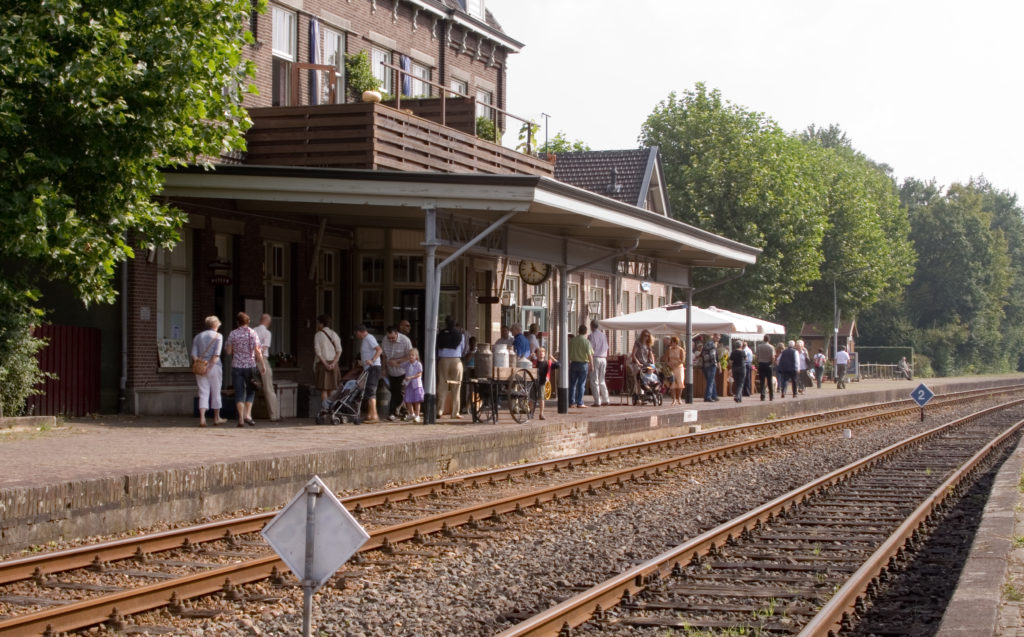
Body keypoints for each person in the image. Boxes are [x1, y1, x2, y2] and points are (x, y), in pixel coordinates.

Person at [224, 312, 266, 427]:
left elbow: (228, 352)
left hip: (236, 366)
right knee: (251, 391)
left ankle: (241, 419)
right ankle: (248, 415)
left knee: (239, 392)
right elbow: (258, 351)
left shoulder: (233, 334)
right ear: (248, 322)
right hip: (250, 366)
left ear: (237, 322)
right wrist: (263, 365)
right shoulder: (253, 333)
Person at [191, 315, 225, 427]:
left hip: (200, 368)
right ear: (216, 325)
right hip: (214, 367)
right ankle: (216, 417)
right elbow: (216, 355)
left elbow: (193, 355)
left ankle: (202, 418)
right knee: (216, 391)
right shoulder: (218, 336)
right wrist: (209, 367)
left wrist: (202, 365)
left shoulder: (198, 336)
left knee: (203, 392)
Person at [252, 313, 280, 422]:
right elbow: (264, 347)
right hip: (262, 359)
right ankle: (274, 415)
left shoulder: (253, 330)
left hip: (251, 360)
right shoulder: (267, 333)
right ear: (268, 322)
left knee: (251, 387)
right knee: (268, 388)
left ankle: (247, 414)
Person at [436, 315, 465, 418]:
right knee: (456, 387)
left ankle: (440, 410)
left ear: (445, 323)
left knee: (442, 385)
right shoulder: (460, 335)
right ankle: (455, 412)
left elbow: (437, 347)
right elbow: (463, 349)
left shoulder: (441, 334)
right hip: (456, 360)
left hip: (443, 360)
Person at [382, 325, 412, 421]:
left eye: (393, 338)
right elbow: (384, 356)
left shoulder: (405, 341)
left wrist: (398, 361)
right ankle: (404, 412)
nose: (391, 340)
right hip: (391, 372)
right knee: (394, 391)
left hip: (403, 371)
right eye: (389, 338)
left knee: (401, 393)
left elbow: (411, 356)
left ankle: (393, 412)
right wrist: (384, 368)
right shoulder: (384, 340)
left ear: (397, 334)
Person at [355, 324, 383, 423]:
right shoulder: (365, 340)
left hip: (373, 368)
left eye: (356, 333)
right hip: (369, 368)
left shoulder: (369, 338)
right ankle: (370, 415)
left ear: (359, 332)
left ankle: (374, 415)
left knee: (371, 390)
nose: (356, 336)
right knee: (368, 391)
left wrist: (372, 360)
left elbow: (379, 349)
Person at [314, 314, 342, 406]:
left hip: (323, 364)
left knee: (324, 389)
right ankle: (333, 410)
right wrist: (333, 363)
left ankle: (325, 410)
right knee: (333, 389)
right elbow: (339, 351)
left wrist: (326, 364)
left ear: (321, 324)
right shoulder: (334, 334)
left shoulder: (318, 335)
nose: (318, 325)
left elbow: (318, 353)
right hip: (334, 364)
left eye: (318, 323)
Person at [569, 324, 594, 408]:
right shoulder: (586, 342)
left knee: (572, 384)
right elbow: (590, 354)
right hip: (583, 364)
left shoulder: (572, 340)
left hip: (573, 363)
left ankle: (572, 402)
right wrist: (592, 365)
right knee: (581, 384)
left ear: (578, 331)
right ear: (586, 332)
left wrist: (569, 362)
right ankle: (580, 402)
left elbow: (568, 352)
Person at [587, 320, 610, 407]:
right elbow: (607, 347)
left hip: (595, 358)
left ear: (591, 326)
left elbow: (590, 349)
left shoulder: (591, 336)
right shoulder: (604, 335)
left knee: (594, 380)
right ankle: (606, 399)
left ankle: (597, 401)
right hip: (603, 358)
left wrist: (590, 361)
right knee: (602, 380)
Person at [661, 335, 685, 405]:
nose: (672, 344)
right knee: (672, 383)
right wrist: (669, 364)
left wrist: (676, 364)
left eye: (673, 342)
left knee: (680, 383)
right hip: (671, 368)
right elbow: (666, 359)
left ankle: (679, 398)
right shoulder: (669, 350)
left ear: (676, 342)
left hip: (679, 367)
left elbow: (682, 360)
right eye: (671, 342)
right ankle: (674, 399)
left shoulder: (681, 350)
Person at [404, 348, 424, 423]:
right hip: (409, 384)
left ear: (416, 356)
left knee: (417, 400)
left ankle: (417, 415)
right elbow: (400, 365)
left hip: (416, 384)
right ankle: (411, 413)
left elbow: (420, 373)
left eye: (412, 355)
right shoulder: (407, 364)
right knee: (408, 400)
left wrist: (411, 377)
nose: (410, 357)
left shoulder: (418, 364)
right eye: (409, 355)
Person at [534, 345, 553, 420]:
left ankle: (541, 414)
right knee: (532, 398)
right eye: (539, 351)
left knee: (541, 398)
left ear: (545, 354)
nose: (541, 353)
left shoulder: (547, 363)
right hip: (533, 382)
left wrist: (552, 358)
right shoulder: (534, 362)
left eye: (543, 351)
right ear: (536, 354)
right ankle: (531, 413)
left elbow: (558, 365)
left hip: (542, 382)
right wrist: (529, 357)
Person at [700, 334, 720, 402]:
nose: (718, 339)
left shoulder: (706, 344)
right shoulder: (712, 345)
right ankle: (708, 396)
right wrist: (715, 363)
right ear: (713, 337)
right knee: (710, 381)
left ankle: (714, 395)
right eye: (717, 337)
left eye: (719, 338)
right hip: (711, 365)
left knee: (711, 380)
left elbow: (702, 354)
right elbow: (713, 355)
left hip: (705, 365)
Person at [755, 335, 775, 401]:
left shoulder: (759, 347)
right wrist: (771, 363)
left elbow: (756, 357)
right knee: (769, 381)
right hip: (768, 365)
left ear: (763, 339)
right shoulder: (771, 347)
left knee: (762, 381)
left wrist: (759, 362)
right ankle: (771, 396)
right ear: (769, 340)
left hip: (761, 364)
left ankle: (762, 396)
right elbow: (773, 357)